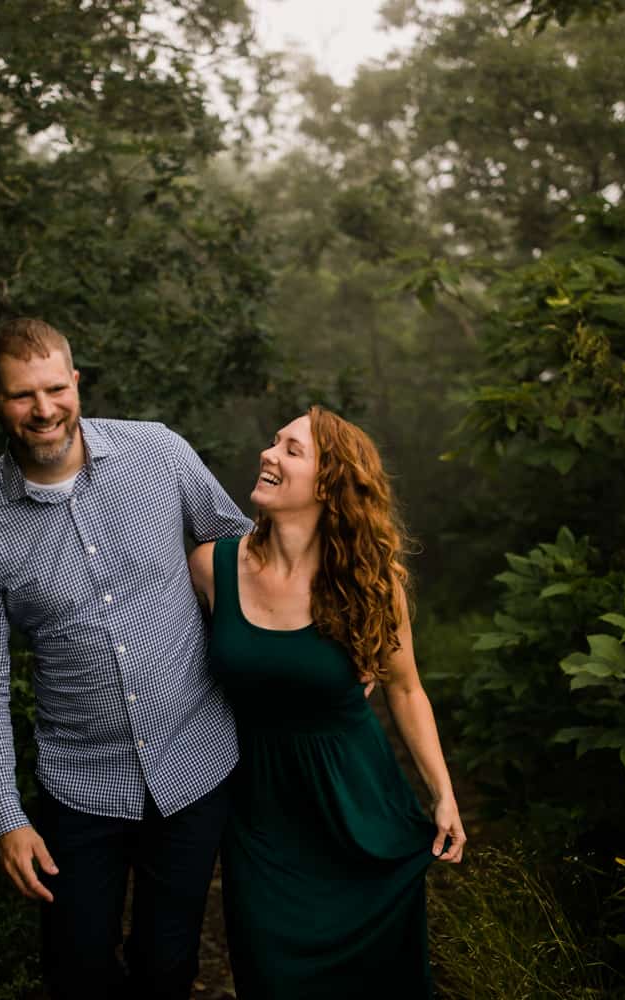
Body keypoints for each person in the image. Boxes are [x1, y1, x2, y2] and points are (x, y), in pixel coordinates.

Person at [0, 317, 253, 999]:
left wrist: (338, 633)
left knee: (167, 967)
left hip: (195, 764)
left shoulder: (159, 454)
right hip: (79, 787)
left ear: (76, 382)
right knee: (76, 973)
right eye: (23, 396)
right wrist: (5, 813)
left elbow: (243, 552)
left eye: (56, 388)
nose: (45, 409)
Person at [187, 405, 466, 999]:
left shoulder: (369, 582)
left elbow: (405, 688)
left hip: (354, 807)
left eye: (291, 449)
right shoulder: (212, 567)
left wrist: (442, 793)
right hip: (260, 812)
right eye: (274, 440)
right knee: (270, 972)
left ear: (328, 485)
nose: (269, 452)